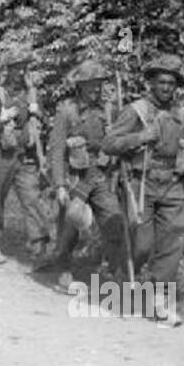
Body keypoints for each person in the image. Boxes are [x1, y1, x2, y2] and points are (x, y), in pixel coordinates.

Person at [102, 54, 184, 324]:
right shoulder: (137, 111)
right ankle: (121, 289)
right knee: (141, 244)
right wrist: (140, 137)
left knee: (172, 243)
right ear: (151, 84)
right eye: (161, 82)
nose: (167, 88)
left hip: (173, 184)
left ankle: (158, 302)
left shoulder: (182, 115)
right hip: (140, 183)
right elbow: (109, 143)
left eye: (172, 83)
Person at [39, 60, 126, 283]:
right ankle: (63, 267)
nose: (95, 89)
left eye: (98, 84)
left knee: (114, 224)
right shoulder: (67, 112)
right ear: (80, 86)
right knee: (70, 227)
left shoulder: (109, 111)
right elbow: (57, 150)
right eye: (90, 84)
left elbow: (119, 142)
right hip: (75, 179)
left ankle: (117, 274)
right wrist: (58, 185)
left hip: (101, 176)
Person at [0, 48, 49, 265]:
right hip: (0, 155)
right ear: (5, 71)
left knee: (32, 199)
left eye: (23, 67)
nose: (20, 72)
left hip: (25, 156)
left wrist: (35, 109)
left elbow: (41, 122)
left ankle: (39, 248)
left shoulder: (29, 93)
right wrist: (1, 120)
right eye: (16, 68)